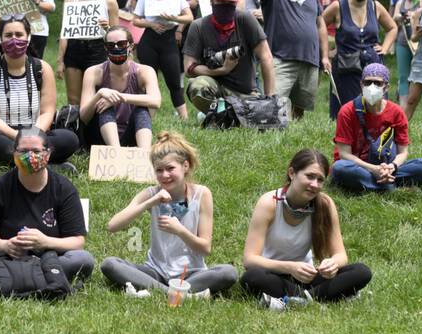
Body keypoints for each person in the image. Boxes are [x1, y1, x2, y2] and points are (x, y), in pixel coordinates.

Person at [101, 131, 238, 298]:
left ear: (185, 166)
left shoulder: (201, 194)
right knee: (110, 264)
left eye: (170, 168)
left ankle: (159, 290)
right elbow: (112, 225)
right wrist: (149, 203)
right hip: (156, 271)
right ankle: (175, 293)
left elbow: (205, 248)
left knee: (228, 272)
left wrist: (180, 230)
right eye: (159, 170)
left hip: (191, 273)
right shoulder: (152, 193)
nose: (164, 175)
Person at [0, 126, 94, 286]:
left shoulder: (64, 189)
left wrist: (45, 242)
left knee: (83, 259)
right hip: (9, 256)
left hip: (51, 258)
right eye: (23, 151)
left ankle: (2, 275)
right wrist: (5, 245)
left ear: (47, 154)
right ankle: (42, 277)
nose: (30, 156)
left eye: (36, 151)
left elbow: (77, 242)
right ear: (14, 154)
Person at [240, 148, 373, 310]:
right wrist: (290, 267)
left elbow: (340, 255)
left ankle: (298, 300)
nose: (314, 185)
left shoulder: (325, 204)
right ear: (292, 173)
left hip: (308, 277)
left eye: (320, 180)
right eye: (309, 176)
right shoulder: (270, 202)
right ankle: (322, 297)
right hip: (274, 274)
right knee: (252, 277)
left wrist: (332, 264)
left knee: (361, 271)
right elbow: (250, 260)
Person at [0, 16, 80, 167]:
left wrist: (31, 137)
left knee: (69, 139)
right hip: (4, 134)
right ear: (0, 39)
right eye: (8, 35)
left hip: (36, 133)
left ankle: (5, 163)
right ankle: (47, 164)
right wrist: (17, 136)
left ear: (28, 37)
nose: (14, 39)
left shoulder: (42, 68)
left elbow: (47, 112)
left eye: (19, 34)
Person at [330, 62, 422, 192]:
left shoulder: (397, 112)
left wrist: (392, 167)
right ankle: (390, 186)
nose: (372, 87)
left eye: (377, 83)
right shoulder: (347, 111)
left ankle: (376, 184)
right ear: (361, 85)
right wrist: (373, 169)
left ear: (386, 87)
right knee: (339, 168)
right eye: (368, 82)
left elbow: (403, 152)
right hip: (358, 167)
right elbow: (344, 155)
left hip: (387, 165)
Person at [256, 0, 331, 120]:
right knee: (276, 109)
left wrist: (325, 56)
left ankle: (294, 139)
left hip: (309, 59)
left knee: (300, 109)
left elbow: (320, 25)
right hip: (281, 57)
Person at [183, 0, 277, 116]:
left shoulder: (245, 20)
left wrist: (270, 98)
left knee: (264, 117)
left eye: (230, 3)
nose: (225, 6)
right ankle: (222, 113)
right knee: (197, 86)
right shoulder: (198, 26)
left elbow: (266, 57)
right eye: (221, 1)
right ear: (211, 0)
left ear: (236, 2)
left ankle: (219, 115)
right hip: (215, 88)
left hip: (245, 92)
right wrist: (222, 70)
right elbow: (188, 68)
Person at [322, 0, 399, 116]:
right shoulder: (338, 7)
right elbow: (320, 26)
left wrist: (385, 47)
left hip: (373, 67)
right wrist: (326, 53)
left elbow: (392, 27)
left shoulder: (375, 6)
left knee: (376, 108)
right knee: (348, 110)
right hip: (346, 68)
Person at [79, 25, 160, 148]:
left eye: (121, 44)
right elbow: (84, 117)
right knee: (104, 104)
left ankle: (145, 154)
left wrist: (119, 97)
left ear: (131, 46)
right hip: (99, 137)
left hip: (130, 135)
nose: (116, 48)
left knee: (142, 110)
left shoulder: (144, 71)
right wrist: (100, 94)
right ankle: (116, 153)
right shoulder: (93, 72)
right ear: (105, 48)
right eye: (111, 45)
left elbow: (156, 101)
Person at [132, 0, 193, 119]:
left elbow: (189, 17)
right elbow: (136, 20)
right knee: (147, 80)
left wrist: (175, 18)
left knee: (173, 80)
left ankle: (184, 118)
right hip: (149, 41)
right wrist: (151, 24)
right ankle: (146, 117)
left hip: (169, 40)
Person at [58, 0, 120, 105]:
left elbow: (117, 34)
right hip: (74, 49)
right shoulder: (70, 0)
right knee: (73, 100)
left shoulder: (110, 1)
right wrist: (60, 60)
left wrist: (108, 28)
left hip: (98, 49)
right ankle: (75, 129)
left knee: (96, 98)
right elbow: (65, 32)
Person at [390, 0, 422, 108]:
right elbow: (394, 19)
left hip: (419, 42)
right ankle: (403, 106)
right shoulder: (400, 2)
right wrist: (400, 17)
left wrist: (413, 14)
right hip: (402, 41)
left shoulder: (421, 0)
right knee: (404, 75)